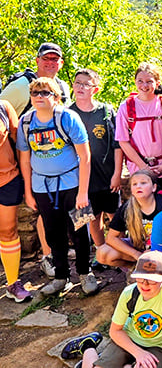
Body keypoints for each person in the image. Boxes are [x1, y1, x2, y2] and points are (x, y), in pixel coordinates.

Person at [16, 77, 97, 295]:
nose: (40, 97)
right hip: (42, 186)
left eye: (45, 93)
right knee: (53, 233)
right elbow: (24, 160)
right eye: (35, 93)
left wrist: (83, 191)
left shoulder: (68, 118)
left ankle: (85, 272)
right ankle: (61, 276)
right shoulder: (25, 122)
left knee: (80, 230)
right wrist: (28, 192)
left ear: (56, 97)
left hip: (72, 184)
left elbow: (85, 156)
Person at [1, 42, 70, 278]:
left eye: (55, 60)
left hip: (58, 158)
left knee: (59, 207)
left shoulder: (62, 86)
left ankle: (61, 253)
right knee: (43, 208)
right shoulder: (22, 86)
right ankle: (48, 256)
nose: (50, 63)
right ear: (37, 60)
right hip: (26, 161)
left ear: (61, 63)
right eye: (46, 59)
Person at [77, 250, 162, 368]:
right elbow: (115, 331)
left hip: (157, 346)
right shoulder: (129, 293)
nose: (145, 284)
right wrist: (138, 353)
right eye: (140, 279)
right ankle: (88, 345)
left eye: (151, 280)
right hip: (128, 339)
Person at [69, 69, 123, 254]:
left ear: (96, 89)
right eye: (78, 83)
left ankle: (122, 252)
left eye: (86, 84)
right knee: (92, 218)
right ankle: (101, 252)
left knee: (116, 216)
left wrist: (117, 173)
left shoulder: (106, 111)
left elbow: (118, 144)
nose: (81, 87)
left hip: (107, 175)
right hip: (82, 179)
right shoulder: (67, 113)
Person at [115, 62, 162, 194]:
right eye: (140, 81)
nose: (144, 86)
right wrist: (143, 167)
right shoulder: (126, 107)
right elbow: (123, 141)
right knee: (143, 207)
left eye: (149, 81)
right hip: (138, 169)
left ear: (157, 82)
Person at [96, 169, 162, 268]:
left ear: (154, 187)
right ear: (132, 190)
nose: (139, 186)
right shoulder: (127, 208)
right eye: (135, 184)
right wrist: (136, 254)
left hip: (161, 249)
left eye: (143, 183)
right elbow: (111, 238)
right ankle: (134, 267)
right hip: (139, 248)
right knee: (102, 253)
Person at [0, 100, 31, 302]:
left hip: (7, 179)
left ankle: (13, 282)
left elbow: (19, 143)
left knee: (8, 231)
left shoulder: (3, 107)